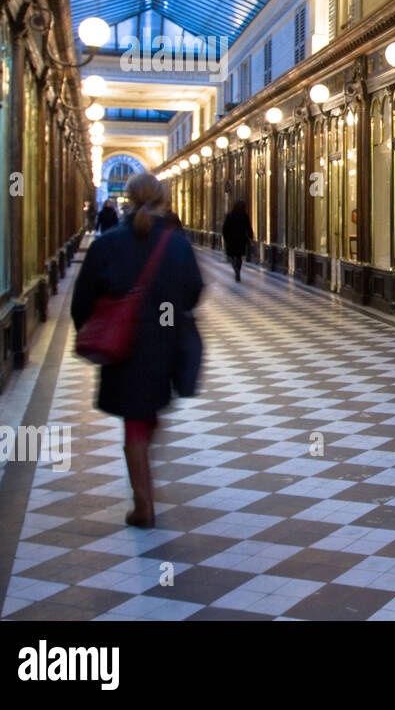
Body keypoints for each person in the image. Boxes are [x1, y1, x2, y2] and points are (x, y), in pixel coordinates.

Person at [72, 173, 204, 528]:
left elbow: (81, 302)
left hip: (124, 344)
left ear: (128, 199)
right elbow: (193, 290)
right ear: (162, 199)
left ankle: (143, 503)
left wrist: (99, 329)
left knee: (135, 417)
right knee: (145, 412)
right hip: (164, 343)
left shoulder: (107, 244)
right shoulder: (176, 244)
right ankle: (144, 494)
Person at [221, 201, 254, 283]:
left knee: (231, 256)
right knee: (239, 256)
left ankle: (236, 270)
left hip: (231, 240)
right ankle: (238, 270)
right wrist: (250, 237)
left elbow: (225, 228)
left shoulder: (230, 216)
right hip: (241, 240)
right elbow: (248, 227)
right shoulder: (244, 216)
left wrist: (226, 238)